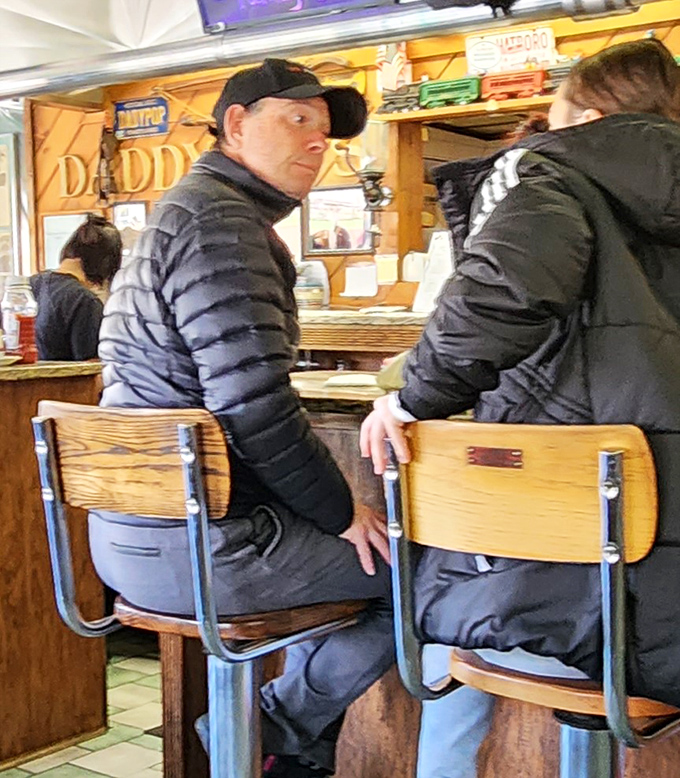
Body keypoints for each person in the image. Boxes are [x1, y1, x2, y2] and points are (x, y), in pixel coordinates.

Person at [361, 39, 680, 777]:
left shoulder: (557, 170)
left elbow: (499, 295)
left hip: (573, 589)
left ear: (590, 118)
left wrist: (412, 398)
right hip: (660, 601)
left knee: (447, 635)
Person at [94, 58, 394, 778]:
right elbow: (253, 404)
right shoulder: (223, 225)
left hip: (135, 537)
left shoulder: (191, 210)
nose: (318, 144)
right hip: (199, 545)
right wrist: (340, 511)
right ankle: (279, 731)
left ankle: (286, 752)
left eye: (326, 134)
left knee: (372, 570)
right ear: (236, 124)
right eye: (297, 121)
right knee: (422, 574)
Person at [29, 213, 121, 360]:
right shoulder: (85, 302)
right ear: (105, 266)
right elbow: (91, 371)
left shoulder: (28, 287)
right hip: (62, 383)